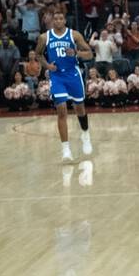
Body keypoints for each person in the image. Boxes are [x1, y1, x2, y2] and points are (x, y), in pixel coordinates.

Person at [35, 10, 95, 162]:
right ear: (52, 21)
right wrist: (47, 66)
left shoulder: (74, 35)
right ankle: (66, 150)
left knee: (80, 108)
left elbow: (90, 54)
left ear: (65, 21)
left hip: (73, 75)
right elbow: (38, 54)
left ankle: (85, 133)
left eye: (61, 18)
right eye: (55, 18)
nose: (58, 21)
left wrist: (76, 53)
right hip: (57, 77)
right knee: (61, 110)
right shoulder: (44, 37)